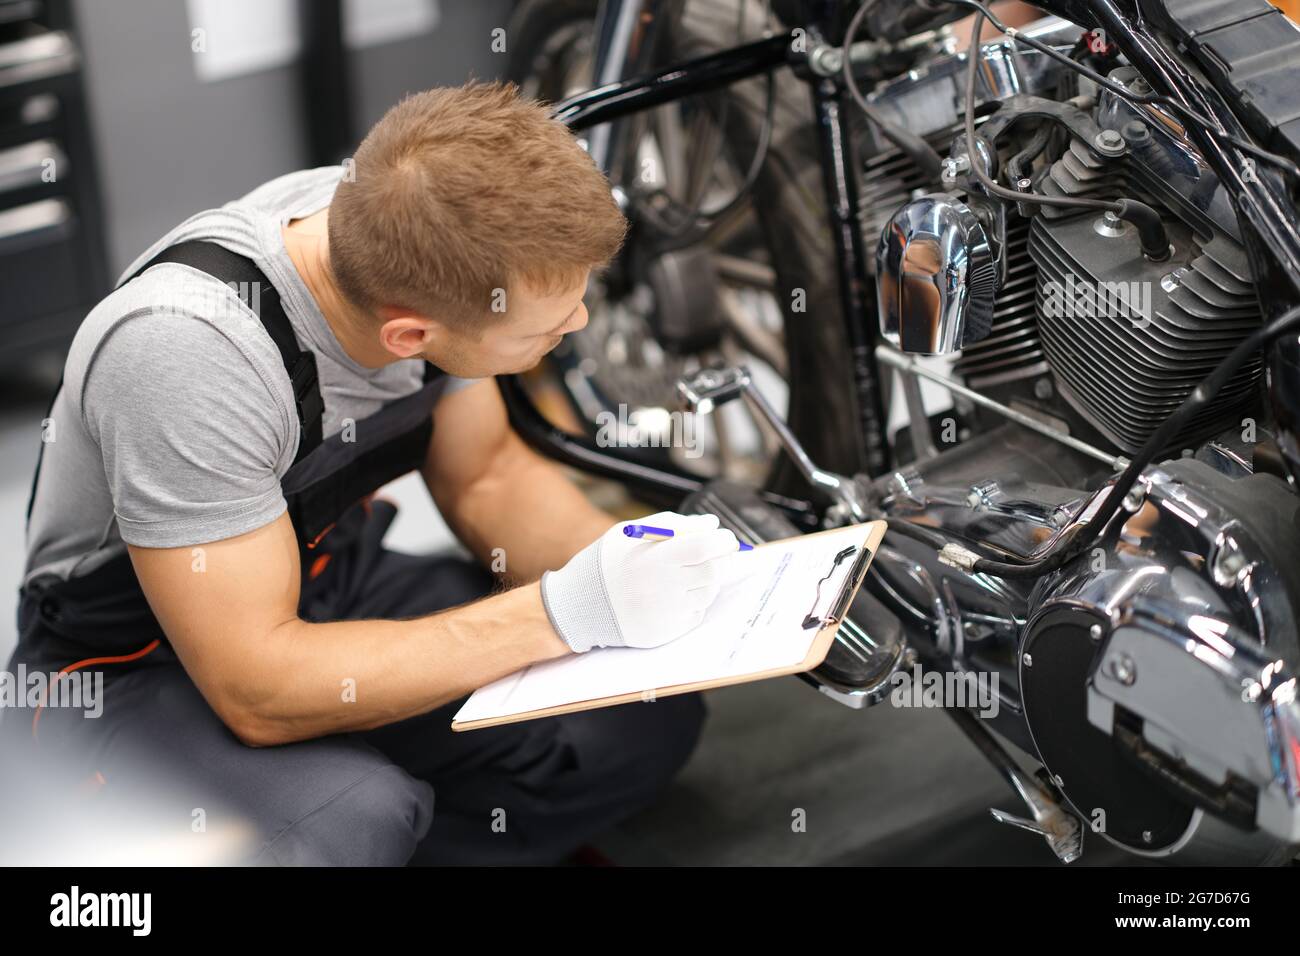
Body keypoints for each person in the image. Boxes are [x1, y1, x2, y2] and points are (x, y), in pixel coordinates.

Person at [5, 81, 738, 865]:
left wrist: (671, 586)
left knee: (634, 719)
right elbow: (257, 688)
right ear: (409, 334)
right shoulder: (187, 355)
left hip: (325, 572)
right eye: (551, 328)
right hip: (136, 660)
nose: (579, 324)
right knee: (351, 818)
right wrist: (564, 612)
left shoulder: (417, 227)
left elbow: (485, 474)